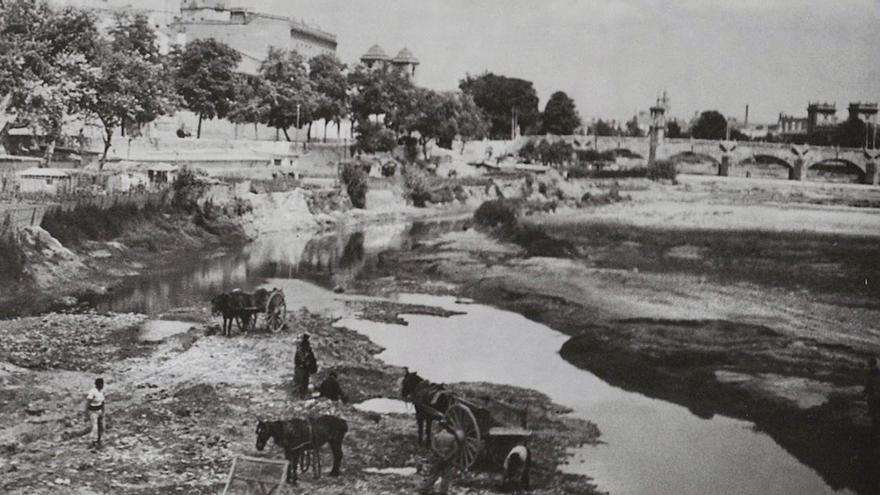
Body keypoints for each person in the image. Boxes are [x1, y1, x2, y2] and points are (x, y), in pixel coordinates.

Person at [294, 334, 318, 399]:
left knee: (302, 381)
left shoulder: (302, 348)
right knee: (303, 381)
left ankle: (301, 394)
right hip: (303, 368)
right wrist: (306, 363)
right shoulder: (304, 348)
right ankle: (302, 395)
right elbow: (305, 358)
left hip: (302, 367)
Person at [84, 377, 106, 447]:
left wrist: (103, 412)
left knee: (101, 427)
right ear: (98, 384)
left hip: (99, 411)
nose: (102, 386)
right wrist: (86, 413)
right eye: (101, 384)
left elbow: (102, 403)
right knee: (94, 427)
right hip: (93, 411)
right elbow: (88, 402)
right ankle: (93, 442)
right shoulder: (92, 392)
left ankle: (99, 440)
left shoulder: (101, 392)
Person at [866, 357, 880, 434]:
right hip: (875, 395)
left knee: (874, 412)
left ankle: (874, 429)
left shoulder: (871, 372)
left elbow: (869, 384)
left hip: (874, 396)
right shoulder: (874, 372)